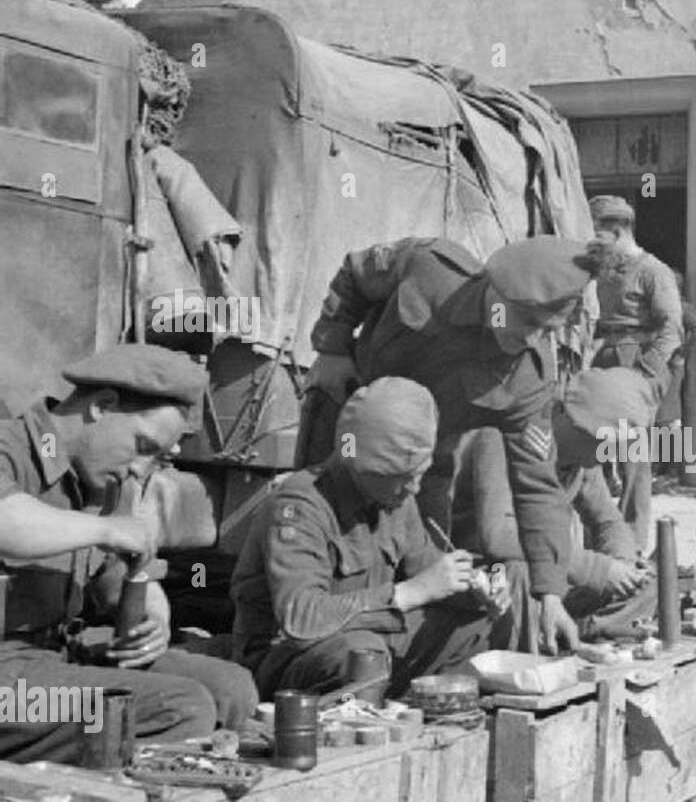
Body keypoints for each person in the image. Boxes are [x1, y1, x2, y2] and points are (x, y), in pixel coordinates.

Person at [298, 235, 604, 653]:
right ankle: (303, 657)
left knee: (419, 578)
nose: (534, 340)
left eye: (547, 331)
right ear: (499, 297)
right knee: (322, 542)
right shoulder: (429, 268)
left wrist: (549, 595)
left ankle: (382, 676)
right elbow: (355, 272)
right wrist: (331, 348)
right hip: (345, 424)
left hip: (424, 474)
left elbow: (537, 488)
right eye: (530, 325)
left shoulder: (530, 377)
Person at [0, 345, 259, 764]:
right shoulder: (9, 447)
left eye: (156, 458)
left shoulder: (102, 484)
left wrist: (153, 616)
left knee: (231, 690)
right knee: (180, 707)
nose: (142, 469)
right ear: (102, 406)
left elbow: (121, 577)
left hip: (50, 663)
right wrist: (106, 527)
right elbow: (7, 521)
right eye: (143, 446)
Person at [231, 378, 519, 697]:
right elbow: (301, 618)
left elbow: (428, 570)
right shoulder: (299, 507)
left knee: (481, 626)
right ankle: (364, 734)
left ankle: (437, 718)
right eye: (401, 478)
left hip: (370, 645)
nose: (414, 489)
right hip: (286, 661)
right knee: (363, 654)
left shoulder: (395, 501)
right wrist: (409, 593)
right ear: (366, 470)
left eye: (419, 475)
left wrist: (476, 588)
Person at [452, 368, 659, 639]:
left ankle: (572, 632)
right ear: (568, 419)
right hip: (481, 571)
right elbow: (498, 537)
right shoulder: (503, 437)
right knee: (519, 573)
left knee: (649, 583)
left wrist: (624, 564)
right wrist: (596, 568)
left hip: (546, 573)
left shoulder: (580, 458)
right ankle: (546, 642)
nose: (606, 456)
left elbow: (607, 520)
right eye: (600, 443)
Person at [587, 196, 684, 548]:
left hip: (634, 361)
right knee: (592, 451)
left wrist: (646, 373)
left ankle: (632, 544)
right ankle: (597, 538)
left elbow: (672, 329)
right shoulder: (601, 271)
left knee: (632, 459)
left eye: (597, 236)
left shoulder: (653, 271)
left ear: (615, 232)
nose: (592, 245)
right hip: (600, 359)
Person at [653, 269, 696, 491]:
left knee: (670, 418)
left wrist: (681, 352)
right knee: (660, 418)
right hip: (659, 366)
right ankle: (660, 469)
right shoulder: (665, 308)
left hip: (672, 369)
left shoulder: (682, 308)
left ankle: (672, 471)